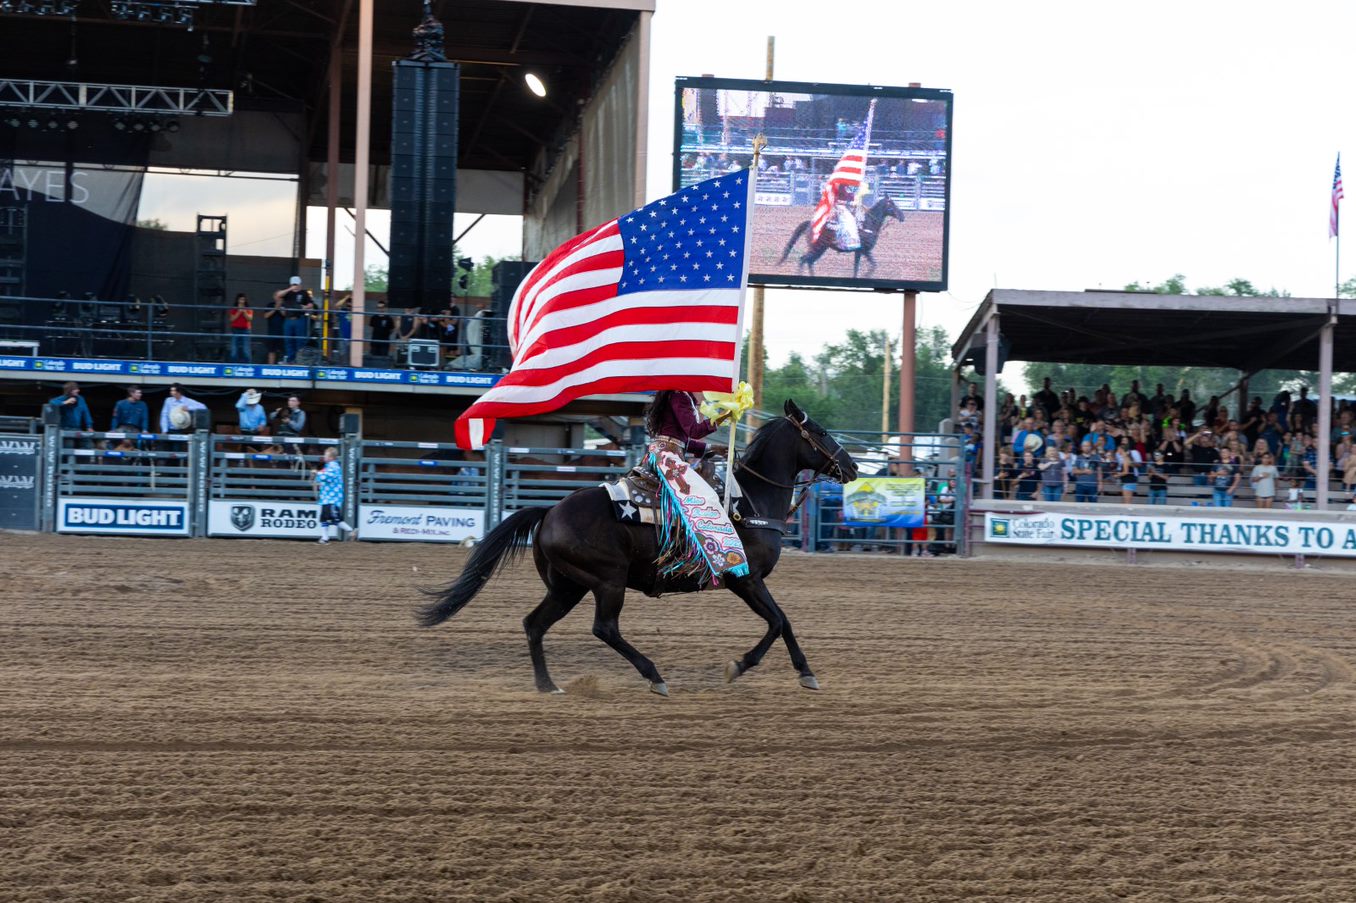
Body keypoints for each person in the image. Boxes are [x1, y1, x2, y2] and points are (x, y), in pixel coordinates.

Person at [643, 389, 747, 581]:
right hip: (669, 457)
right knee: (703, 498)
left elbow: (681, 439)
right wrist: (723, 415)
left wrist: (710, 448)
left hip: (665, 452)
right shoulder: (680, 395)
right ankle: (715, 554)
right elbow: (694, 431)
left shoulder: (675, 395)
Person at [313, 446, 354, 543]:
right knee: (324, 518)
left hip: (332, 498)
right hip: (326, 498)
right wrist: (317, 475)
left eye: (326, 455)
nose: (324, 457)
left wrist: (317, 474)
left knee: (335, 519)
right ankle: (324, 538)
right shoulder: (328, 466)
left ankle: (351, 531)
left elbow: (328, 477)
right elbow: (323, 477)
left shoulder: (333, 466)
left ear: (331, 457)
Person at [273, 276, 313, 364]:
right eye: (293, 284)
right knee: (288, 340)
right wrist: (289, 289)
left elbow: (311, 304)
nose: (295, 286)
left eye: (296, 284)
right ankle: (290, 359)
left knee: (300, 340)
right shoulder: (287, 293)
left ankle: (300, 360)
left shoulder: (304, 293)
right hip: (288, 319)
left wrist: (305, 307)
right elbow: (278, 295)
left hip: (299, 319)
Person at [825, 180, 861, 251]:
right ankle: (840, 240)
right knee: (847, 220)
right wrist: (849, 203)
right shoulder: (841, 185)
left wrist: (854, 203)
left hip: (848, 207)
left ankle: (854, 239)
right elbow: (836, 199)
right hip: (839, 206)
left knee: (860, 218)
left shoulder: (850, 187)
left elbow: (852, 198)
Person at [227, 293, 253, 363]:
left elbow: (250, 319)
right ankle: (234, 364)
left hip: (246, 330)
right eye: (240, 299)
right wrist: (238, 312)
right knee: (234, 348)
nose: (242, 301)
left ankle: (247, 365)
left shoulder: (248, 309)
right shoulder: (234, 309)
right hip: (235, 329)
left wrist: (244, 312)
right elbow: (231, 319)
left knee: (246, 349)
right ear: (237, 300)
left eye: (243, 300)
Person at [263, 290, 286, 365]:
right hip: (272, 331)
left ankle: (283, 367)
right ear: (274, 297)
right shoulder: (270, 305)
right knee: (271, 350)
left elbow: (286, 315)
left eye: (280, 296)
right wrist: (275, 308)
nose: (279, 298)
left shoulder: (285, 305)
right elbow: (266, 316)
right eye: (277, 296)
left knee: (283, 350)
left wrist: (280, 308)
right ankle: (270, 366)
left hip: (282, 332)